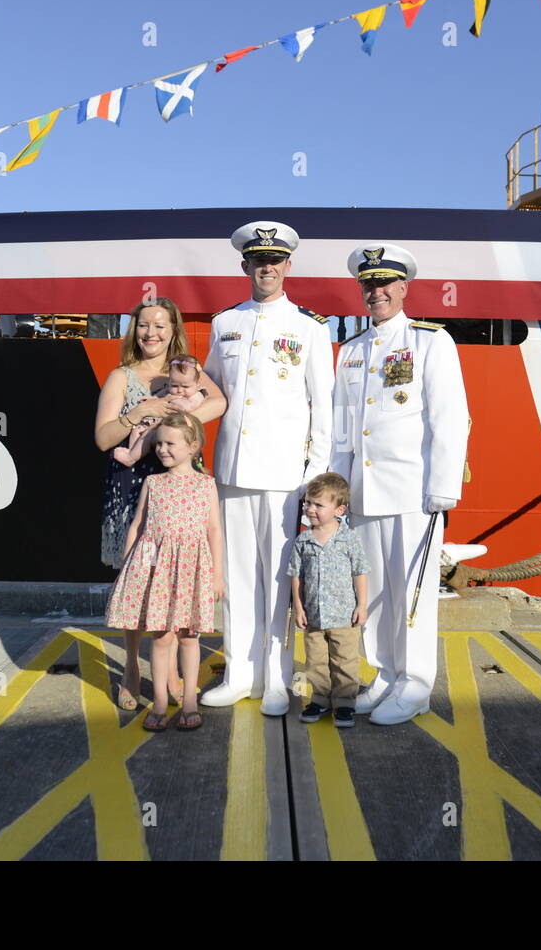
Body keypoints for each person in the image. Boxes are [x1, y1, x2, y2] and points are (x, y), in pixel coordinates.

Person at [330, 243, 469, 725]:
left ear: (404, 288)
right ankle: (386, 673)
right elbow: (344, 429)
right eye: (369, 284)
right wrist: (336, 491)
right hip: (365, 493)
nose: (377, 292)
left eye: (386, 283)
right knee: (375, 592)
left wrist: (443, 488)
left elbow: (451, 419)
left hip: (413, 491)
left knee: (412, 589)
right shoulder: (351, 352)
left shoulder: (431, 342)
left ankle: (415, 684)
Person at [201, 221, 335, 716]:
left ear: (287, 266)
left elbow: (324, 407)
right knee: (236, 579)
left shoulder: (309, 327)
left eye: (275, 260)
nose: (267, 268)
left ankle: (277, 678)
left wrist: (314, 477)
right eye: (258, 260)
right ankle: (239, 674)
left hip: (284, 477)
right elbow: (210, 393)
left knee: (281, 581)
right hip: (232, 472)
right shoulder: (225, 323)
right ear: (245, 266)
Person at [94, 299, 225, 711]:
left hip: (181, 487)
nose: (151, 332)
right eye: (143, 325)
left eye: (159, 325)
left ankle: (167, 671)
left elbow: (219, 402)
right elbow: (103, 438)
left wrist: (180, 426)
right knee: (139, 580)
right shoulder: (122, 376)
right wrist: (141, 413)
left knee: (176, 577)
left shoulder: (187, 370)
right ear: (134, 331)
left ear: (174, 330)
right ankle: (134, 667)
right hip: (135, 485)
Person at [105, 413, 225, 731]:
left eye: (170, 443)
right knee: (160, 638)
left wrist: (217, 575)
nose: (162, 450)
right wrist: (129, 566)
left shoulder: (206, 485)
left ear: (193, 446)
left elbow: (214, 531)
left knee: (188, 638)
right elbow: (138, 525)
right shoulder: (153, 483)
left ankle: (188, 701)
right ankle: (159, 702)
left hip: (191, 571)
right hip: (156, 570)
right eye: (158, 444)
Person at [287, 472, 368, 728]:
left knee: (345, 661)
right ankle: (320, 699)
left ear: (339, 509)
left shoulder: (349, 538)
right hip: (314, 616)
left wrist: (362, 605)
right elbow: (296, 576)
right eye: (308, 503)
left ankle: (344, 703)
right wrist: (298, 608)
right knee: (316, 662)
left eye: (318, 505)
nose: (310, 509)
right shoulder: (303, 540)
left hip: (344, 616)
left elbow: (360, 572)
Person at [112, 354, 208, 467]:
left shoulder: (197, 394)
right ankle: (133, 450)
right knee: (137, 430)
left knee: (147, 434)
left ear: (197, 383)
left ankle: (131, 458)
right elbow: (159, 396)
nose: (179, 390)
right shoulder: (170, 391)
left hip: (172, 427)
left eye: (185, 387)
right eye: (174, 385)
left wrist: (174, 402)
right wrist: (151, 400)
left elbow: (188, 407)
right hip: (156, 420)